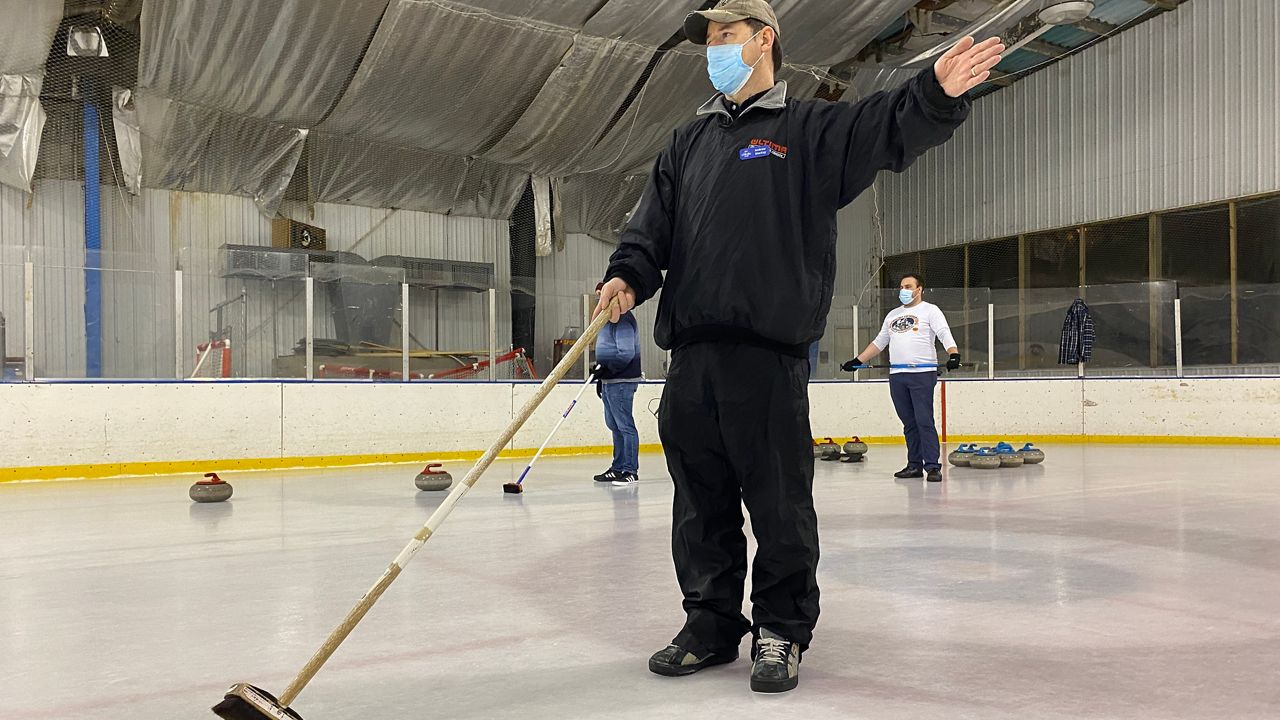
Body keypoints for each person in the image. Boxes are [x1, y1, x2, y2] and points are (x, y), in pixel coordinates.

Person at [593, 0, 1003, 694]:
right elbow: (648, 233)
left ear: (764, 42)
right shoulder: (686, 144)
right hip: (691, 359)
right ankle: (710, 625)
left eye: (726, 35)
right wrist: (625, 276)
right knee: (700, 507)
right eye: (708, 39)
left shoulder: (807, 130)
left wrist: (934, 92)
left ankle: (781, 630)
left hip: (768, 358)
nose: (714, 48)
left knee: (779, 506)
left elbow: (883, 127)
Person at [842, 273, 960, 483]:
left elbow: (943, 332)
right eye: (901, 286)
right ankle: (914, 465)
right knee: (909, 423)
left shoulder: (930, 310)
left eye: (908, 286)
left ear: (919, 289)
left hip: (922, 374)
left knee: (924, 421)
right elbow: (879, 342)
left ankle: (932, 467)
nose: (903, 290)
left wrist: (953, 353)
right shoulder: (892, 315)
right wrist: (857, 361)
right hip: (898, 375)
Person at [591, 283, 642, 486]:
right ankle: (617, 467)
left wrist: (607, 369)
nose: (600, 301)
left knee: (624, 426)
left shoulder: (623, 321)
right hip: (610, 380)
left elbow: (626, 353)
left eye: (602, 296)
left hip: (622, 380)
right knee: (614, 425)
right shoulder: (608, 321)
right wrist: (600, 374)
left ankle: (630, 470)